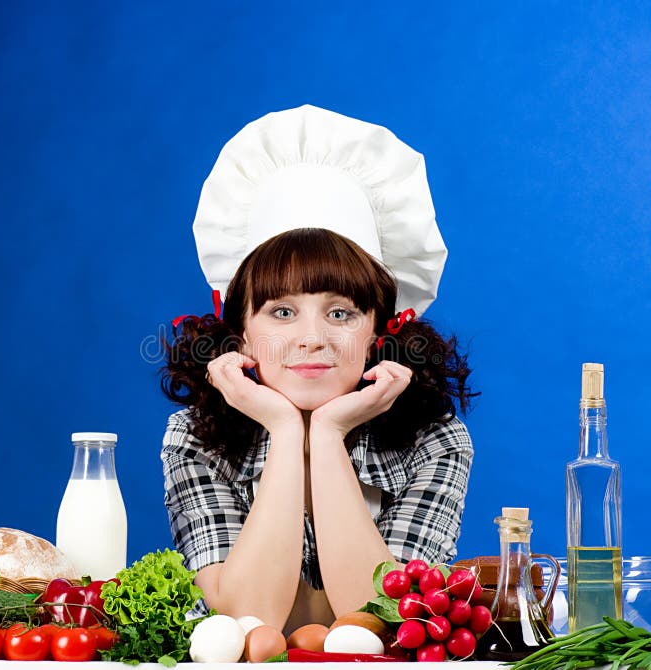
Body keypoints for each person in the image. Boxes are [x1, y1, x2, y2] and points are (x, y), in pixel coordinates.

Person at [160, 105, 476, 634]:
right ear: (239, 331)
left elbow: (380, 623)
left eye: (340, 313)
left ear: (380, 331)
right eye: (282, 312)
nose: (312, 337)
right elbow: (243, 620)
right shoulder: (193, 439)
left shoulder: (437, 443)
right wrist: (286, 430)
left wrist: (327, 433)